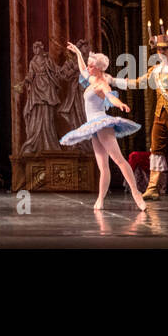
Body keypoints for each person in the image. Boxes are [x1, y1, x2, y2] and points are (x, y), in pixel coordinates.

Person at [60, 43, 146, 211]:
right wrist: (77, 51)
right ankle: (100, 199)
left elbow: (110, 97)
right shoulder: (92, 79)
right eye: (89, 65)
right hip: (93, 126)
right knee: (103, 167)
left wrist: (120, 104)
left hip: (102, 123)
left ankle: (136, 193)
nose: (88, 68)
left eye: (92, 66)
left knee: (119, 160)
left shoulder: (102, 84)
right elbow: (82, 69)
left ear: (98, 69)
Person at [110, 34, 168, 199]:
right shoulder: (154, 70)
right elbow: (138, 83)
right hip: (159, 114)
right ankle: (153, 188)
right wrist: (113, 81)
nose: (161, 52)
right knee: (156, 148)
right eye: (158, 49)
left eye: (164, 49)